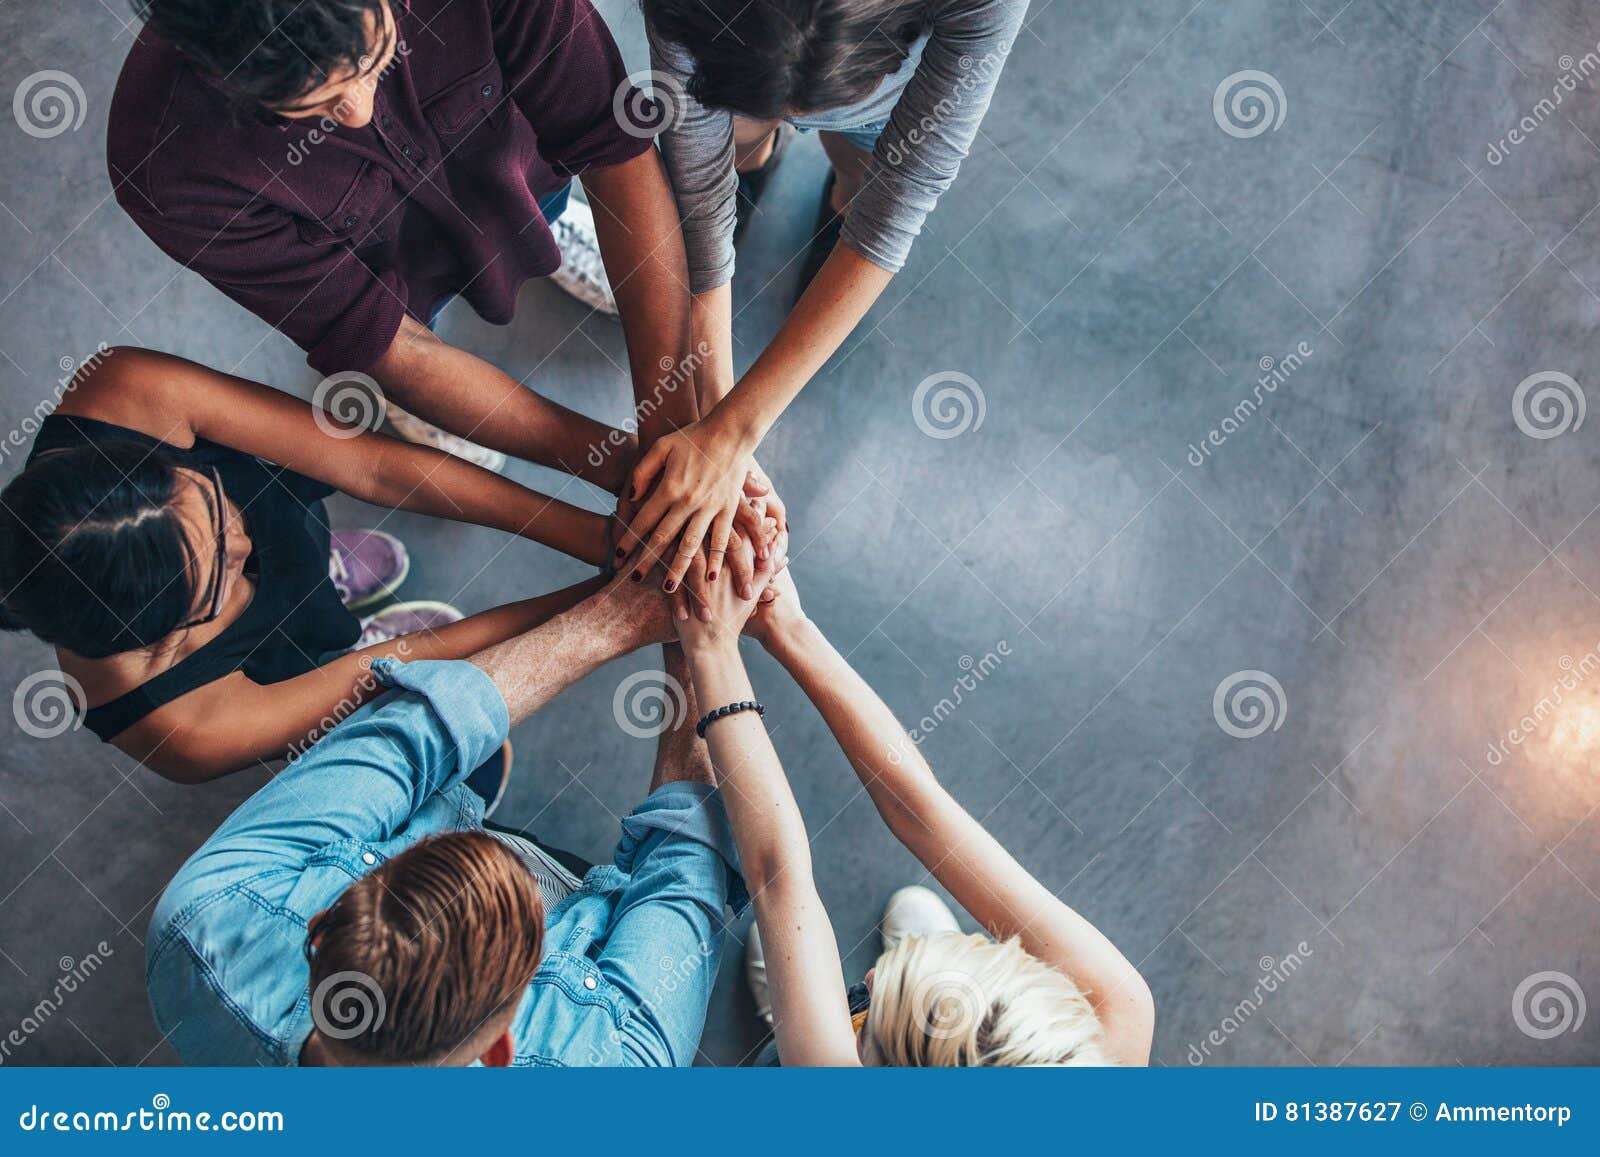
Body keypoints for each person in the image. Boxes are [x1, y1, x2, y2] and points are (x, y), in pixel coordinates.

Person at [145, 563, 770, 1066]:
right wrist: (697, 644)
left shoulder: (206, 919)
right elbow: (686, 869)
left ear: (322, 926)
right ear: (500, 1052)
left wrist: (618, 617)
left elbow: (406, 738)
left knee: (416, 764)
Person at [0, 346, 673, 782]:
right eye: (219, 581)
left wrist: (608, 536)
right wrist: (617, 594)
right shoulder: (179, 727)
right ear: (164, 638)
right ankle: (327, 630)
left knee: (297, 540)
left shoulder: (125, 392)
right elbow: (413, 653)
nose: (243, 543)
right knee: (378, 691)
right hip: (280, 668)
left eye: (214, 502)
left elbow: (371, 467)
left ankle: (317, 576)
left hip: (291, 531)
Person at [109, 0, 703, 481]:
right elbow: (390, 341)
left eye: (372, 61)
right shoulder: (168, 169)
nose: (360, 112)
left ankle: (544, 228)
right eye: (307, 106)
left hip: (522, 176)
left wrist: (678, 432)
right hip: (394, 290)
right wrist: (625, 467)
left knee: (537, 213)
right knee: (398, 345)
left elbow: (609, 146)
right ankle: (400, 398)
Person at [672, 562, 1156, 1066]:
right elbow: (918, 808)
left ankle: (798, 1019)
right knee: (827, 992)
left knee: (801, 1042)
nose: (872, 975)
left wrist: (709, 648)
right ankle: (832, 1008)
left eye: (874, 1038)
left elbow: (776, 876)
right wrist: (786, 623)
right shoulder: (1118, 1008)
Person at [616, 0, 1025, 584]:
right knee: (734, 144)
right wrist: (716, 416)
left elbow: (897, 201)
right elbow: (697, 175)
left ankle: (832, 187)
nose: (800, 119)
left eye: (806, 108)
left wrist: (732, 434)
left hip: (880, 111)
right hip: (738, 87)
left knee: (861, 177)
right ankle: (754, 157)